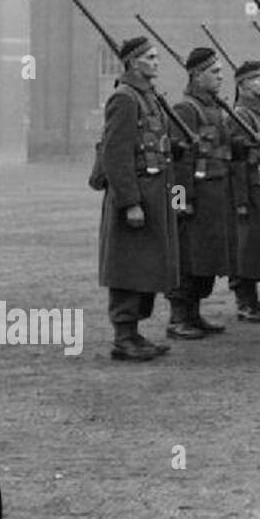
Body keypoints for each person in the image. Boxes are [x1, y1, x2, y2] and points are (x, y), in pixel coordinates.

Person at [96, 36, 178, 360]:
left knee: (146, 267)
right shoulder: (125, 98)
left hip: (156, 195)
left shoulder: (149, 97)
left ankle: (135, 334)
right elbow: (116, 157)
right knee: (129, 267)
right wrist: (130, 202)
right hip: (136, 198)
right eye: (151, 57)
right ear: (133, 62)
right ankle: (124, 337)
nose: (157, 62)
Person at [167, 47, 235, 339]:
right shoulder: (185, 110)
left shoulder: (215, 110)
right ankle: (178, 317)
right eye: (215, 72)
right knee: (188, 258)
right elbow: (178, 162)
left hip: (215, 196)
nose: (221, 77)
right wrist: (181, 203)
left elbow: (221, 150)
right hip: (195, 198)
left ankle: (194, 314)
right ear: (197, 76)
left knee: (206, 258)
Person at [229, 60, 260, 322]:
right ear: (243, 85)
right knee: (246, 246)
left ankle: (253, 300)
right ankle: (244, 301)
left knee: (259, 245)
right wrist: (241, 200)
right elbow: (235, 159)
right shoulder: (241, 114)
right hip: (247, 186)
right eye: (258, 80)